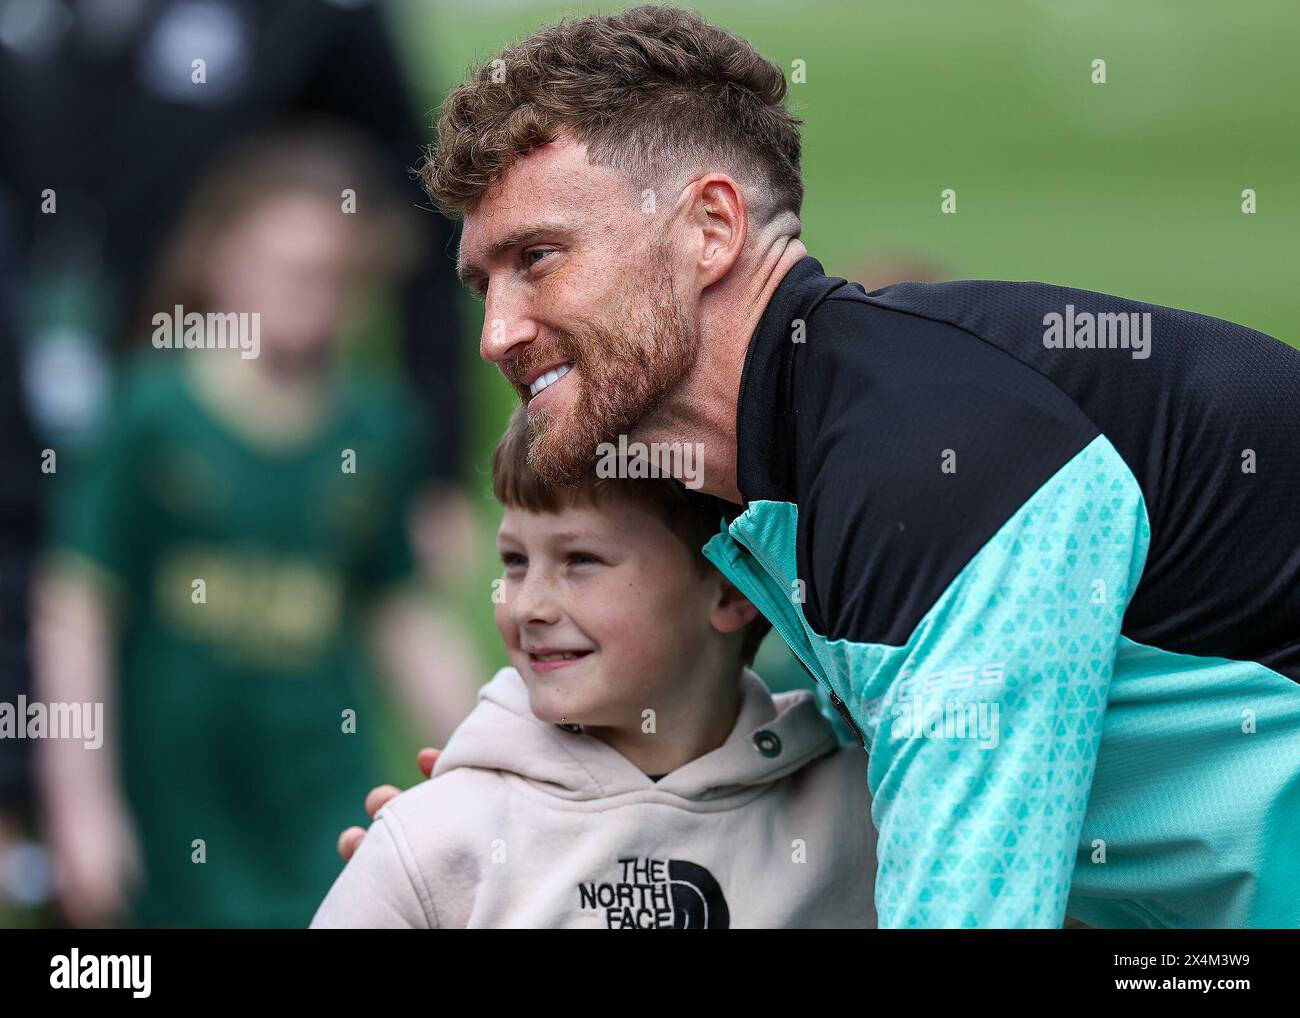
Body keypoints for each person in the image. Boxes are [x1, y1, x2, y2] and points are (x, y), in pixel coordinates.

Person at [349, 5, 1300, 928]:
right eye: (483, 283)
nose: (496, 334)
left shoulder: (929, 470)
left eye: (539, 258)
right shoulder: (803, 458)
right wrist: (534, 833)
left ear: (711, 229)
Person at [33, 129, 479, 928]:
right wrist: (82, 808)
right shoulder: (152, 412)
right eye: (281, 267)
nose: (306, 294)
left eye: (329, 276)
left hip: (311, 801)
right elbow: (77, 607)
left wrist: (493, 760)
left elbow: (399, 617)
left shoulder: (374, 430)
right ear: (221, 261)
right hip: (171, 807)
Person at [312, 408, 876, 928]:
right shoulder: (434, 839)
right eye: (514, 561)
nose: (530, 605)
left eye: (580, 560)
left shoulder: (866, 819)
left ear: (731, 589)